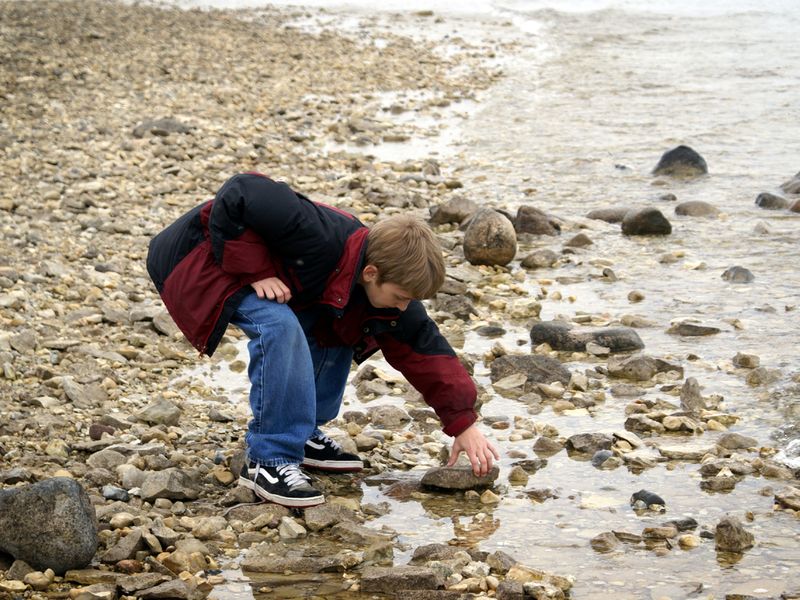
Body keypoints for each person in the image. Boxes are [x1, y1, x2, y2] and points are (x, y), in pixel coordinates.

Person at [146, 172, 499, 507]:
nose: (404, 307)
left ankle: (301, 430)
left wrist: (463, 423)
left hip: (258, 265)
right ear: (371, 273)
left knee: (339, 321)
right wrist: (256, 272)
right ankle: (269, 459)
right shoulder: (317, 234)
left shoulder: (375, 282)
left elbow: (427, 351)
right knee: (278, 325)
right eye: (401, 296)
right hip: (197, 255)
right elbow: (241, 191)